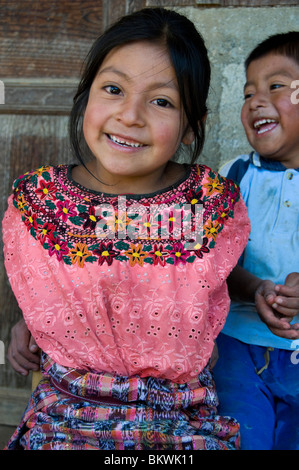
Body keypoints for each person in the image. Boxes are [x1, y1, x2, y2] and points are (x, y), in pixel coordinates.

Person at [3, 8, 250, 450]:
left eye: (161, 101)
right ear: (86, 96)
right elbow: (63, 283)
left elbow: (203, 281)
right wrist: (33, 320)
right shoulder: (40, 201)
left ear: (192, 126)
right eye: (113, 89)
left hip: (179, 421)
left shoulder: (210, 202)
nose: (130, 115)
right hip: (67, 415)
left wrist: (252, 294)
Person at [213, 31, 299, 451]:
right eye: (249, 92)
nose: (256, 101)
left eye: (276, 86)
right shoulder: (232, 177)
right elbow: (208, 263)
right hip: (237, 348)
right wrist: (256, 288)